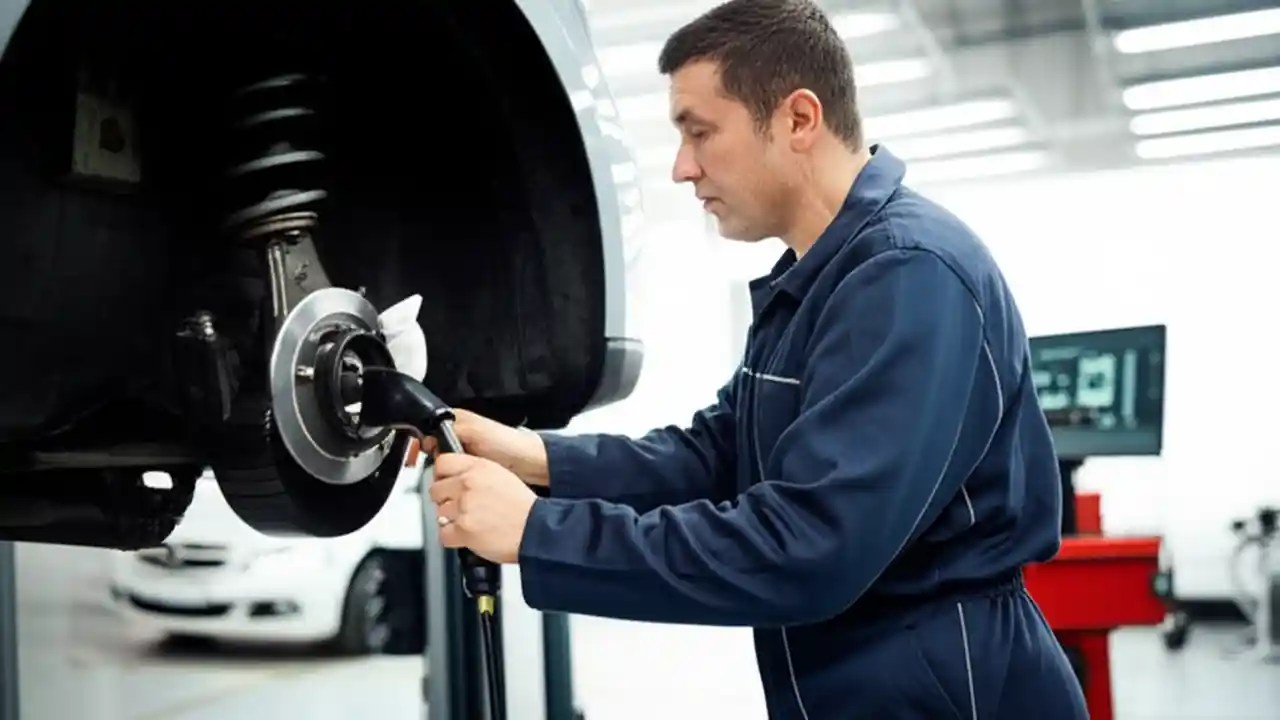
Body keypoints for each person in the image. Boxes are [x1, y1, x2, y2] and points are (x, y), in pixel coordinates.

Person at [422, 0, 1088, 717]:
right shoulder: (821, 277)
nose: (682, 168)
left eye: (700, 133)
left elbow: (811, 548)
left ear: (799, 120)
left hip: (947, 685)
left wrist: (537, 532)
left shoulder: (908, 275)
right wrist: (532, 457)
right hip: (865, 673)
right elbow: (719, 454)